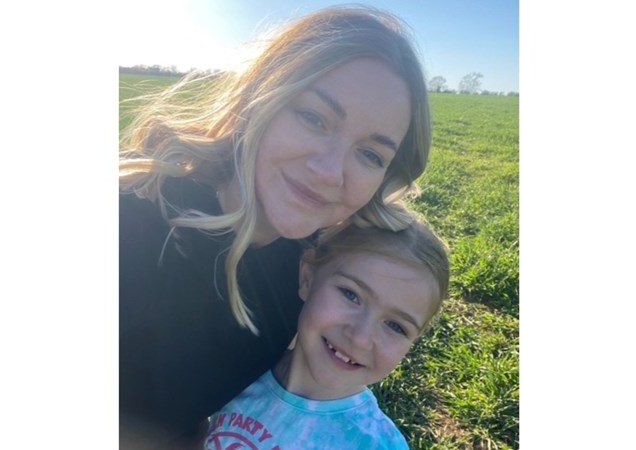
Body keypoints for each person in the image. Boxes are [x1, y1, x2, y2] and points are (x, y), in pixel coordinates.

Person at [119, 5, 432, 446]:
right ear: (261, 96)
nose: (329, 172)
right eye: (314, 118)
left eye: (370, 155)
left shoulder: (311, 263)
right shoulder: (129, 225)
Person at [205, 218, 450, 450]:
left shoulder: (373, 444)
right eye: (351, 295)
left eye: (396, 326)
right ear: (308, 278)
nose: (360, 338)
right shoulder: (238, 364)